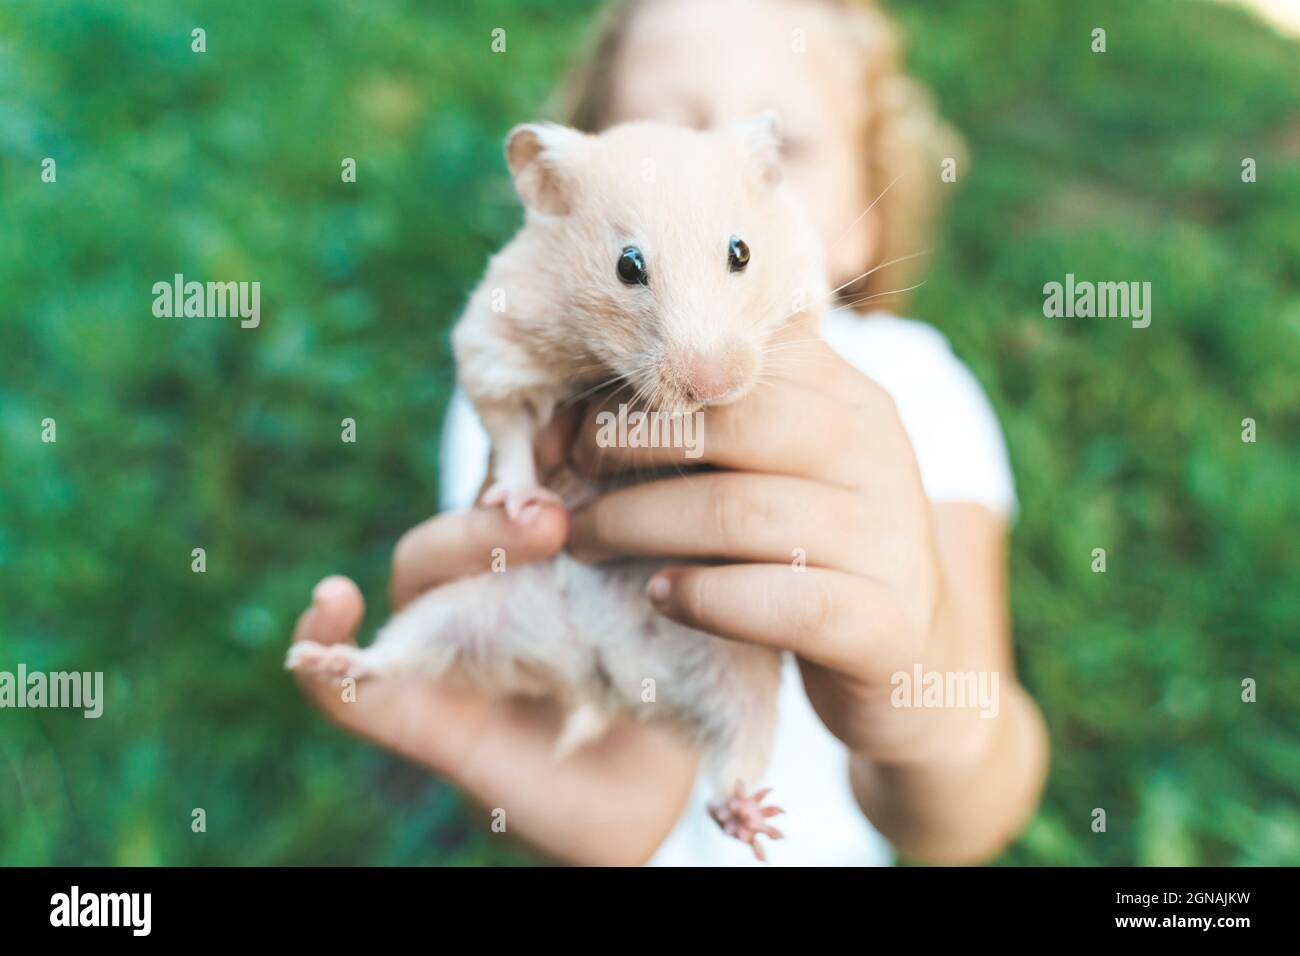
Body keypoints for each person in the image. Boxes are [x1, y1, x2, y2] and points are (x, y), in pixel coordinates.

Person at [290, 0, 1048, 865]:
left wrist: (935, 712)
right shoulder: (528, 386)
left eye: (784, 149)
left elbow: (966, 829)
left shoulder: (916, 389)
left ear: (861, 222)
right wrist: (557, 713)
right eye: (664, 132)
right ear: (561, 196)